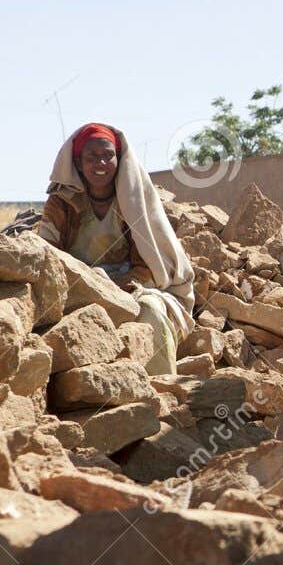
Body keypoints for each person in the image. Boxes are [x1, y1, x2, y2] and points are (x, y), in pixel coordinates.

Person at [35, 122, 194, 376]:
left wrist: (116, 289)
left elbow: (146, 264)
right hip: (75, 288)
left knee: (151, 311)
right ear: (78, 163)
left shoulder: (133, 200)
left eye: (108, 155)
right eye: (91, 157)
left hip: (131, 287)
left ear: (118, 160)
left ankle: (162, 386)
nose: (100, 163)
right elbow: (47, 256)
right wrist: (89, 285)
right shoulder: (61, 202)